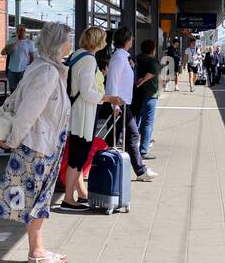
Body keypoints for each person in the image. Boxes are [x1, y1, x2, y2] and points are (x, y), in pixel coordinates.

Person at [0, 22, 73, 263]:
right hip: (38, 143)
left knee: (38, 196)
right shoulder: (47, 73)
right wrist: (13, 140)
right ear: (59, 45)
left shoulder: (44, 67)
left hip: (43, 141)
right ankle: (36, 252)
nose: (71, 44)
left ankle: (37, 248)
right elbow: (29, 111)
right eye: (68, 39)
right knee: (37, 197)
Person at [59, 26, 123, 212]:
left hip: (75, 113)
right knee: (77, 158)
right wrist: (108, 98)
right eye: (103, 38)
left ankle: (82, 194)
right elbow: (87, 91)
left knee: (77, 155)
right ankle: (68, 199)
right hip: (83, 114)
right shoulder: (88, 60)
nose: (105, 42)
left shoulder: (77, 55)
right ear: (97, 41)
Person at [104, 27, 158, 182]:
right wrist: (114, 105)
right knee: (132, 134)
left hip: (123, 103)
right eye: (131, 38)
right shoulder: (119, 59)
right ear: (126, 40)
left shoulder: (123, 57)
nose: (133, 40)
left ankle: (101, 164)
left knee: (117, 138)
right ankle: (140, 170)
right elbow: (112, 83)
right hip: (119, 104)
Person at [132, 38, 161, 159]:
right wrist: (142, 81)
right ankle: (143, 150)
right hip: (150, 94)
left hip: (136, 94)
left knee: (136, 119)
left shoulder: (136, 59)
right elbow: (152, 73)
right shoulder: (153, 61)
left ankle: (133, 144)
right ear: (153, 50)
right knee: (148, 122)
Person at [3, 25, 35, 93]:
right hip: (12, 69)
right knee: (12, 89)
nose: (21, 32)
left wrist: (31, 68)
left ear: (25, 31)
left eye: (22, 30)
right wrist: (15, 41)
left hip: (24, 69)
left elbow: (32, 57)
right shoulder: (11, 40)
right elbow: (3, 52)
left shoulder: (29, 42)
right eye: (19, 30)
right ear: (16, 31)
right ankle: (13, 103)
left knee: (23, 89)